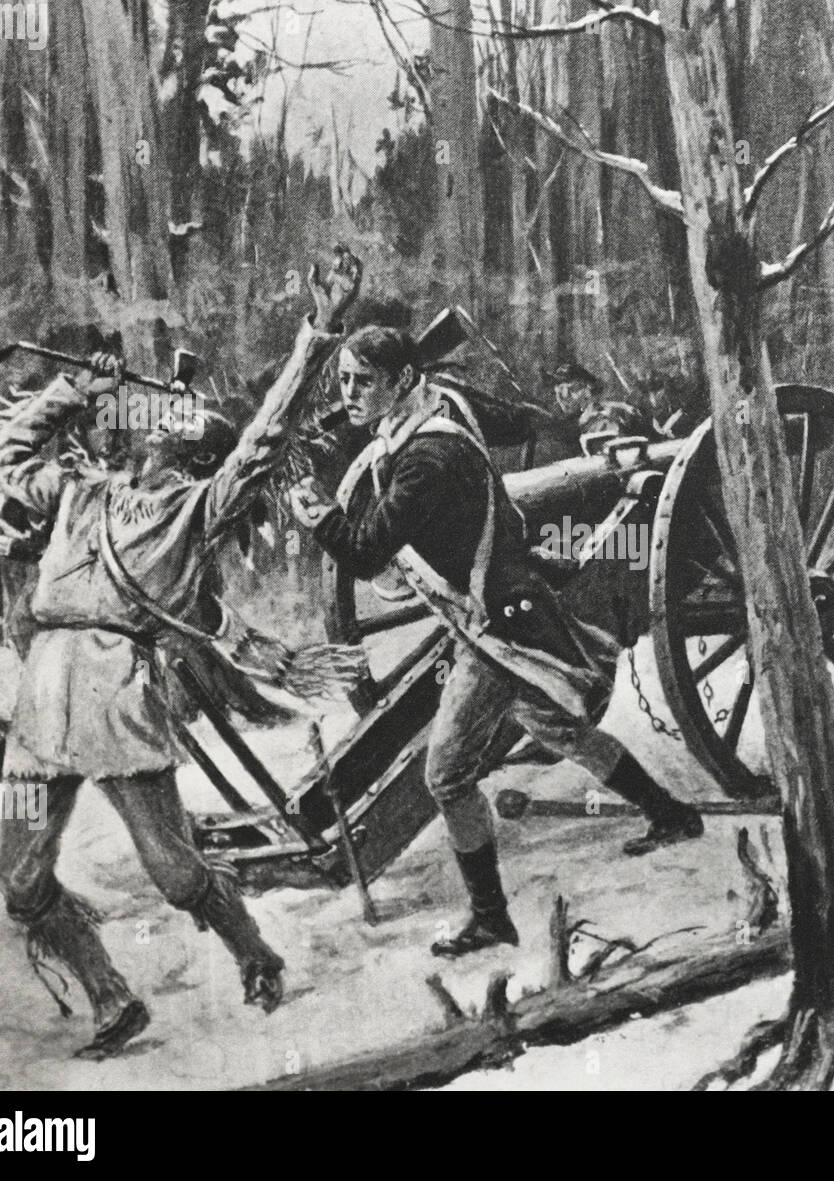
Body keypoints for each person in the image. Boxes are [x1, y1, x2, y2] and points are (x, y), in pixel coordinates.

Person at [0, 245, 362, 1059]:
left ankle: (253, 948)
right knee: (19, 882)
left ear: (191, 451)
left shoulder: (199, 511)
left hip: (117, 704)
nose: (156, 430)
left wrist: (321, 332)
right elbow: (8, 462)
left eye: (174, 428)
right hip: (40, 708)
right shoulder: (82, 491)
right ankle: (112, 996)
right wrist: (71, 390)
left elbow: (265, 439)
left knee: (177, 874)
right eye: (159, 423)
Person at [288, 326, 703, 959]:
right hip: (493, 610)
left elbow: (368, 548)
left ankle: (490, 917)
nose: (347, 394)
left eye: (361, 382)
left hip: (499, 625)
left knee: (447, 773)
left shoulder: (429, 458)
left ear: (402, 382)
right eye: (342, 380)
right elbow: (501, 433)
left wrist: (319, 517)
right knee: (560, 729)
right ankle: (670, 812)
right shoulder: (430, 416)